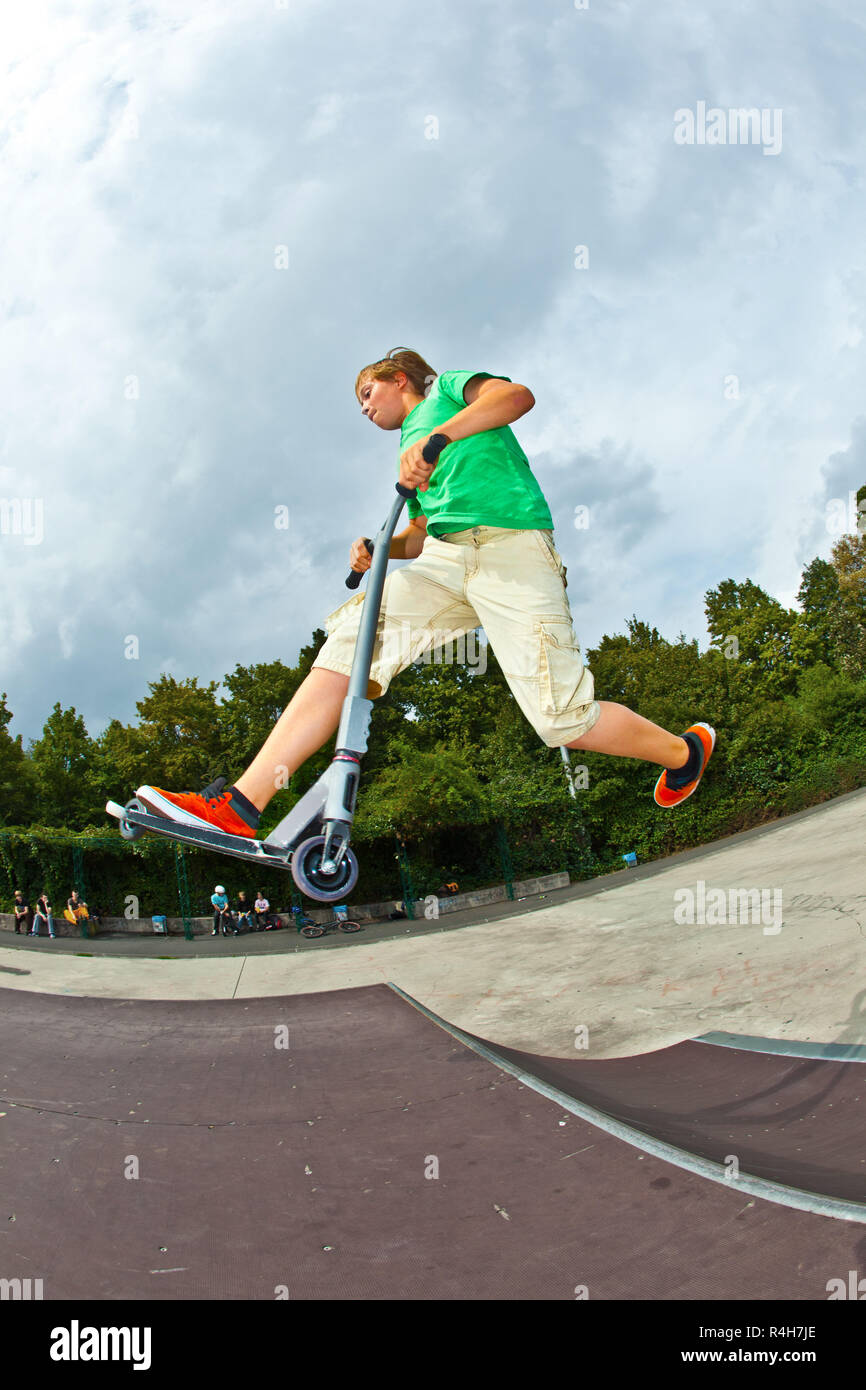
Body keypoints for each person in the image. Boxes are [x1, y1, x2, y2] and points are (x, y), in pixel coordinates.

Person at [131, 348, 715, 837]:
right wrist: (378, 545)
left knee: (560, 720)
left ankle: (682, 754)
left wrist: (438, 436)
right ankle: (239, 806)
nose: (364, 407)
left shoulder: (449, 392)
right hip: (445, 557)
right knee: (354, 638)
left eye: (367, 393)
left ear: (398, 378)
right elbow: (417, 534)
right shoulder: (408, 455)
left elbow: (517, 397)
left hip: (510, 548)